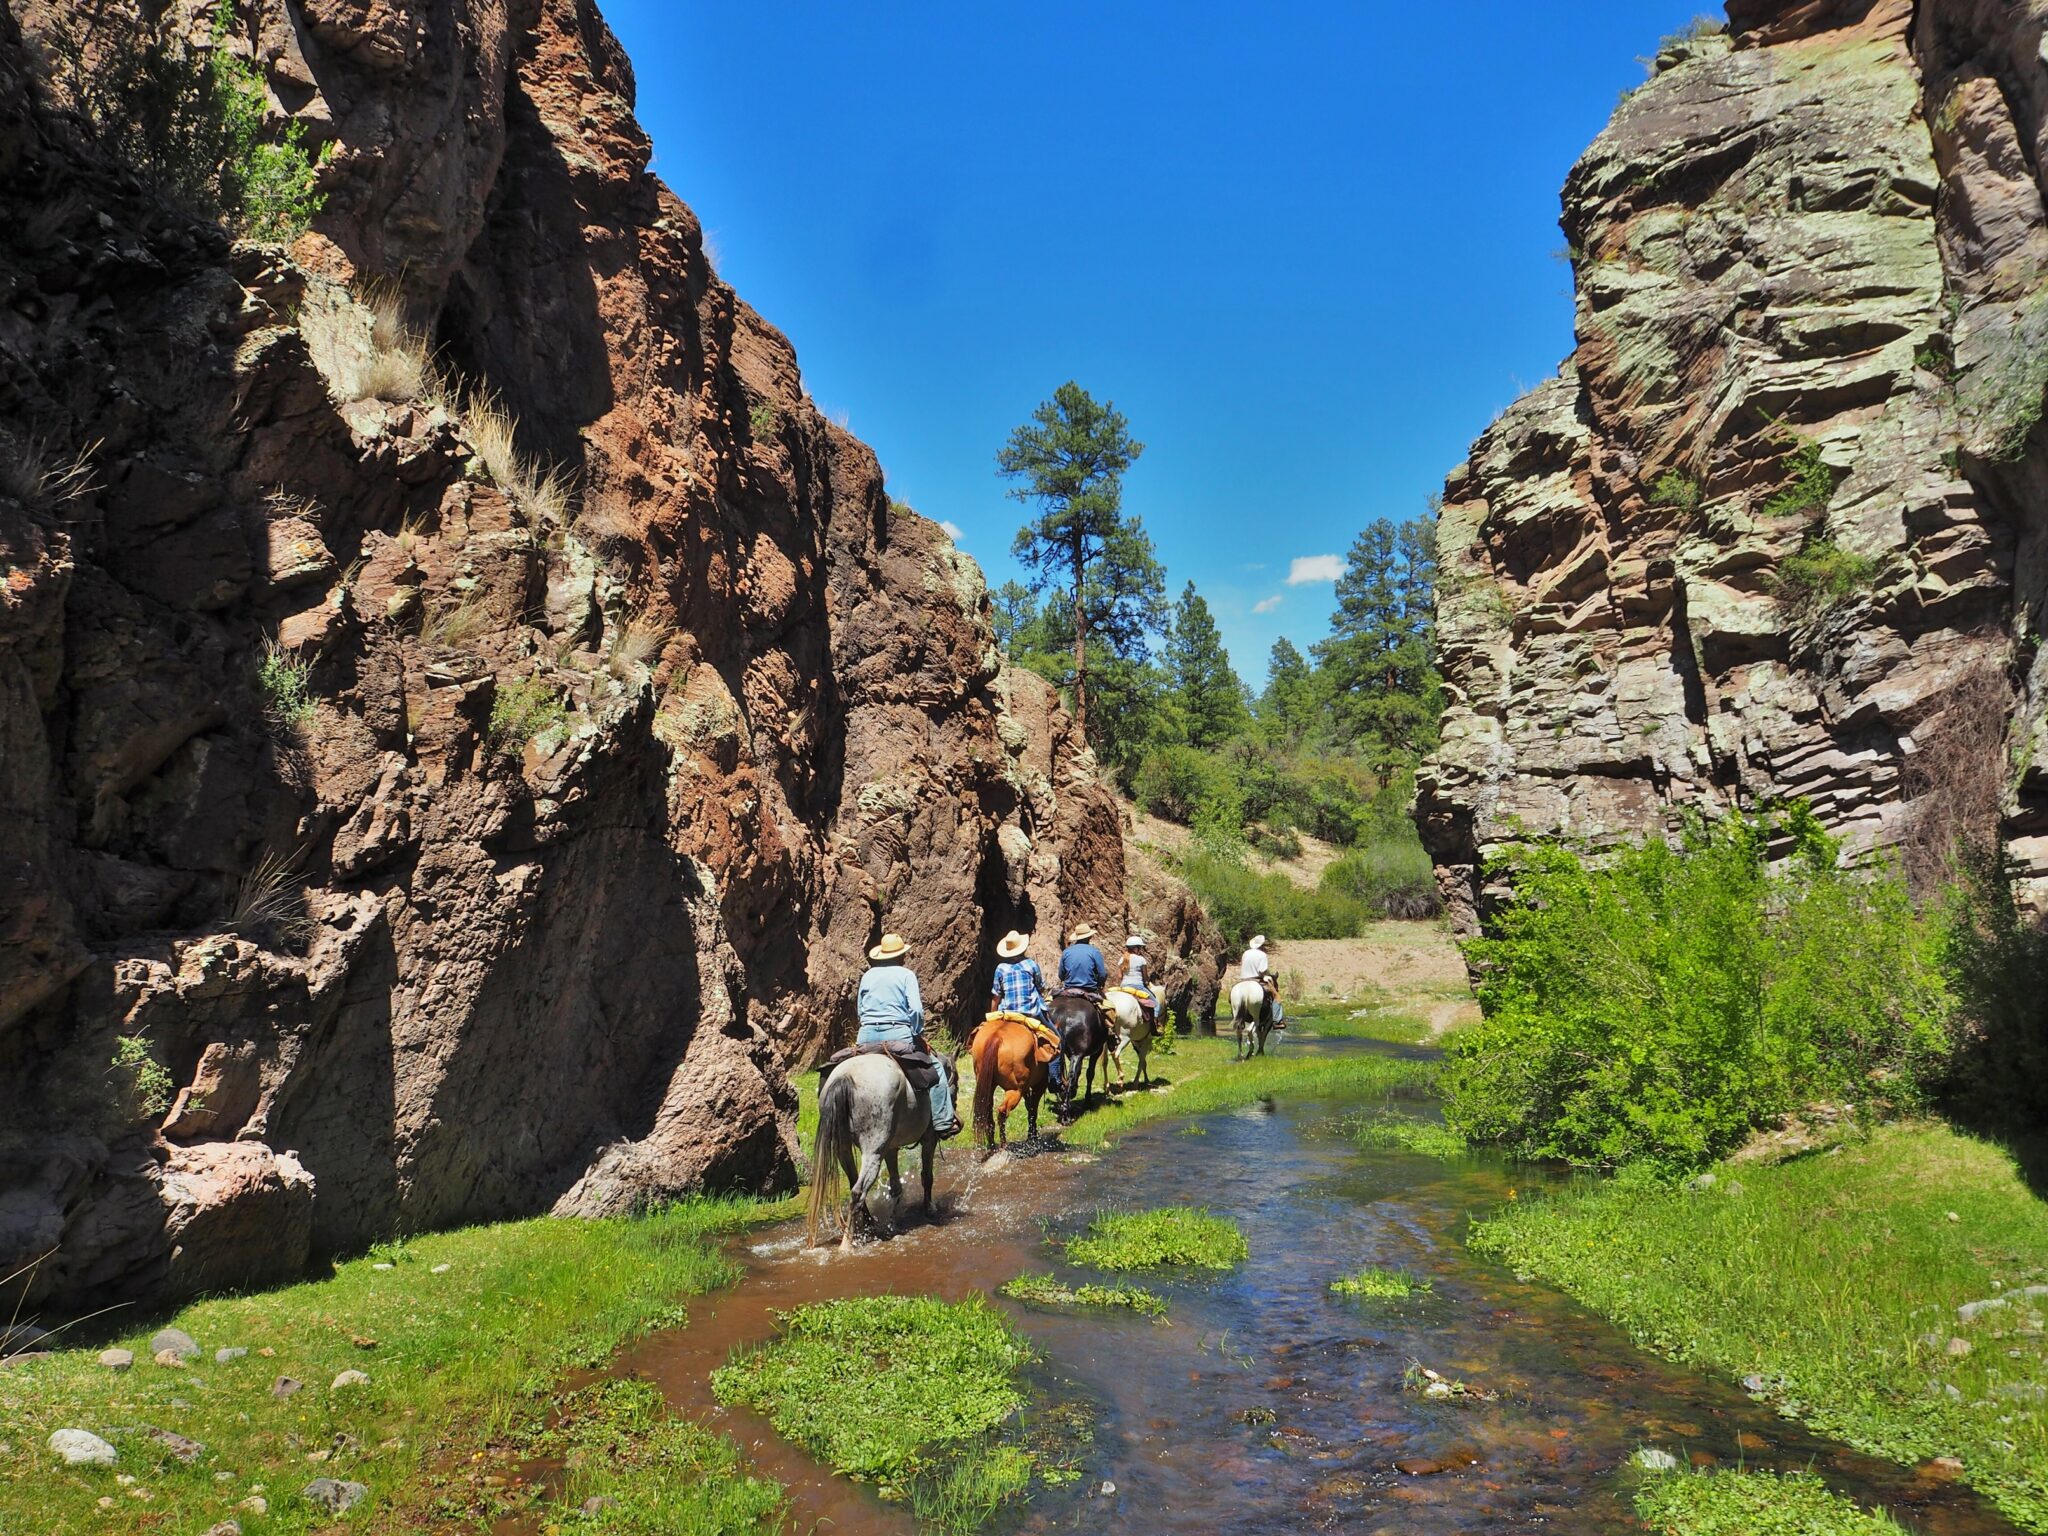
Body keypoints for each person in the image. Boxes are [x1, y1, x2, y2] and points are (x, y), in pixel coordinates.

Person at [856, 932, 960, 1135]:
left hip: (866, 1036)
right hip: (898, 1035)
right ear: (900, 955)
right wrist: (917, 1032)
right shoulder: (906, 975)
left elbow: (860, 1009)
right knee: (937, 1068)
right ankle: (943, 1122)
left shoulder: (868, 975)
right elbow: (916, 1011)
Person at [989, 929, 1061, 1088]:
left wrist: (992, 1016)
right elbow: (1040, 987)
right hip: (1031, 1012)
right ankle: (1055, 1079)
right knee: (1055, 1039)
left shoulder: (1000, 968)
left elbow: (996, 996)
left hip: (1007, 1014)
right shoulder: (1030, 964)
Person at [1240, 933, 1282, 1025]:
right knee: (1276, 995)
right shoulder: (1262, 955)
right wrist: (1266, 975)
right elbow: (1262, 970)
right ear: (1261, 945)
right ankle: (1277, 1020)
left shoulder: (1245, 953)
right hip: (1256, 979)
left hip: (1243, 980)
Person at [1057, 922, 1109, 995]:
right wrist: (1099, 984)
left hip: (1069, 988)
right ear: (1090, 937)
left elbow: (1061, 975)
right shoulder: (1094, 952)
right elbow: (1102, 974)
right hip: (1089, 989)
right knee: (1105, 1001)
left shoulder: (1066, 952)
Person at [1118, 934, 1158, 1026]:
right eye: (1140, 948)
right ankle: (1155, 1023)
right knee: (1156, 1004)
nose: (1141, 950)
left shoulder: (1122, 959)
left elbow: (1120, 976)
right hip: (1137, 986)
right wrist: (1147, 983)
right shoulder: (1141, 959)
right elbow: (1145, 980)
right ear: (1135, 948)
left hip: (1123, 986)